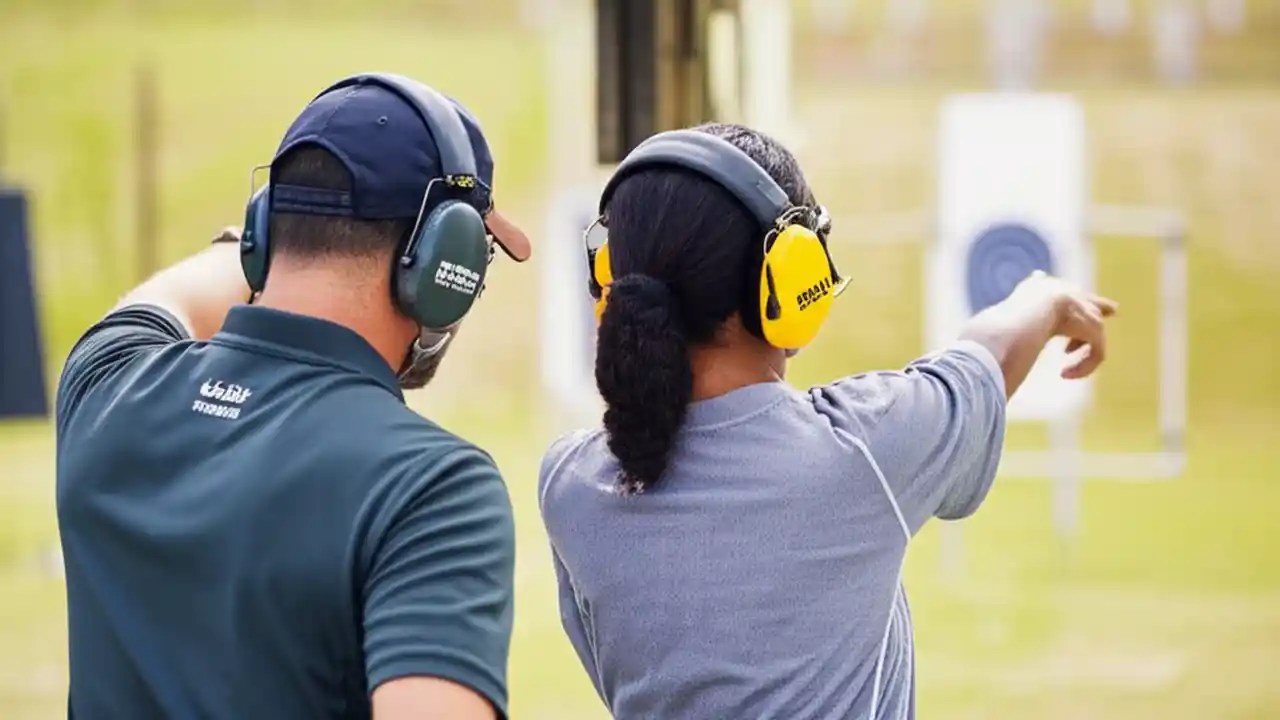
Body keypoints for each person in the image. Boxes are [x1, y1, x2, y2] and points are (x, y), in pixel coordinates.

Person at [538, 123, 1117, 719]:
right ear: (791, 275)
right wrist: (1045, 298)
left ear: (611, 279)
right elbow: (988, 356)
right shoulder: (862, 452)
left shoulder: (569, 485)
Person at [55, 73, 531, 720]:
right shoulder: (430, 487)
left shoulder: (105, 386)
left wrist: (262, 250)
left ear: (262, 233)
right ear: (449, 263)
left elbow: (168, 297)